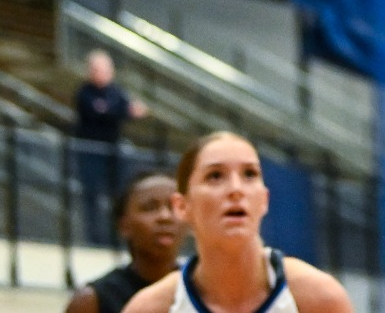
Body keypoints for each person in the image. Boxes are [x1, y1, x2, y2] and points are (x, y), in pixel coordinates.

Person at [120, 132, 351, 313]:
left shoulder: (320, 298)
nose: (236, 189)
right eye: (215, 176)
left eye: (249, 174)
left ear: (264, 200)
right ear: (182, 206)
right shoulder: (150, 308)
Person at [66, 173, 183, 313]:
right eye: (150, 207)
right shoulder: (92, 300)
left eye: (175, 207)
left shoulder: (205, 289)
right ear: (123, 225)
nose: (165, 217)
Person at [73, 50, 146, 241]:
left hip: (113, 152)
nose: (101, 74)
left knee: (119, 193)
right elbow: (102, 112)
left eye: (105, 69)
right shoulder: (84, 93)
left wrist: (117, 110)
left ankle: (116, 235)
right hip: (90, 152)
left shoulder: (115, 92)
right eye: (97, 69)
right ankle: (94, 236)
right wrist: (120, 111)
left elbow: (126, 109)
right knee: (92, 195)